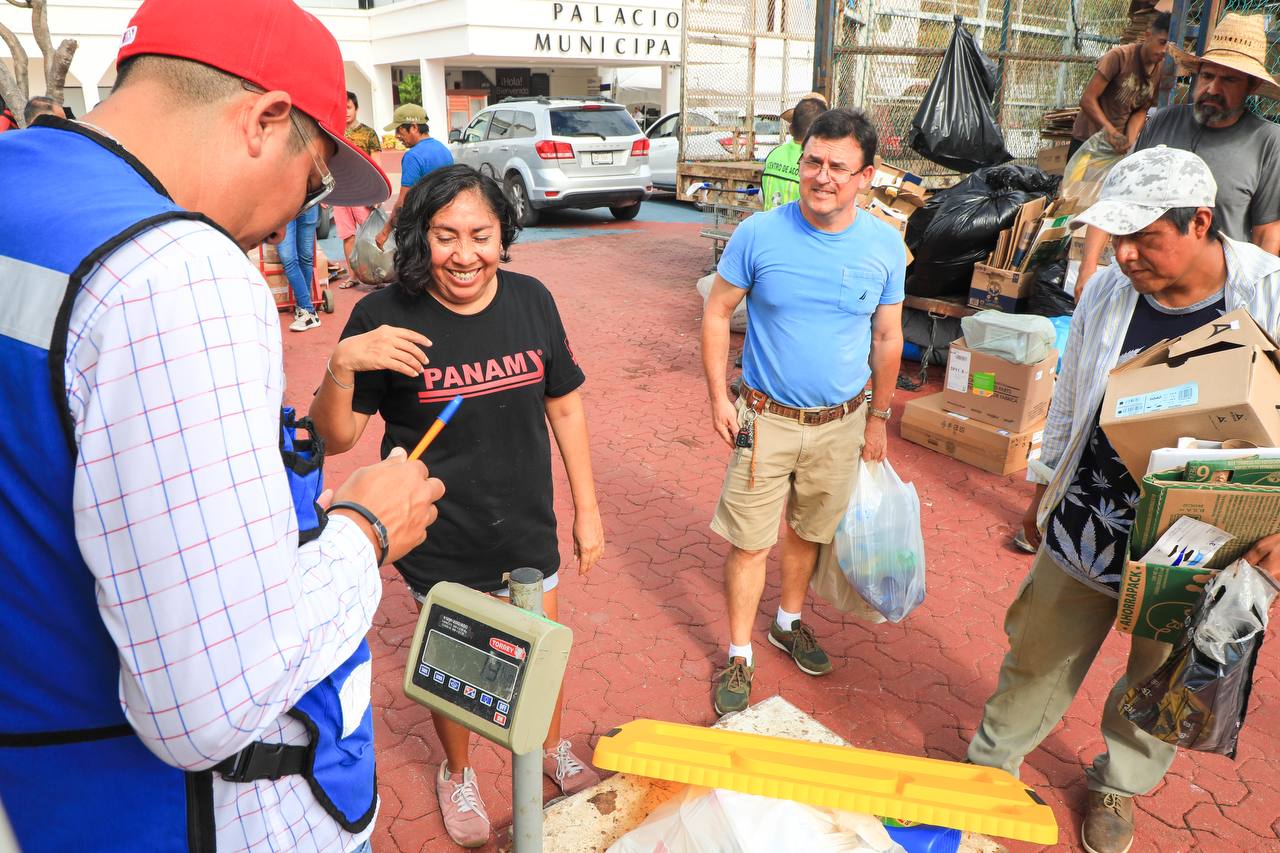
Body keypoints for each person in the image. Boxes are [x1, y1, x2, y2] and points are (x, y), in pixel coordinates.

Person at [0, 0, 445, 850]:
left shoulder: (15, 180)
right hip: (161, 813)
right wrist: (365, 528)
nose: (294, 217)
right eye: (314, 180)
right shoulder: (178, 269)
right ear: (265, 118)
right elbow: (205, 703)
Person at [967, 147, 1280, 853]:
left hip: (1207, 534)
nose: (1128, 254)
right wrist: (1047, 481)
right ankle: (988, 767)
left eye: (1146, 237)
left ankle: (1120, 782)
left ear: (1200, 222)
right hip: (1093, 512)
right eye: (1119, 236)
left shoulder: (1269, 293)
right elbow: (1075, 384)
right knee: (1038, 650)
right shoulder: (1110, 289)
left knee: (1160, 673)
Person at [311, 164, 605, 848]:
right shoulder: (383, 316)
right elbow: (337, 436)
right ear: (421, 237)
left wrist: (586, 509)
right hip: (438, 534)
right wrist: (342, 362)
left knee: (545, 656)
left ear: (504, 233)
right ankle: (458, 769)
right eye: (446, 236)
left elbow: (563, 404)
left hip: (526, 523)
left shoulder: (532, 300)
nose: (464, 253)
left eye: (480, 234)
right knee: (461, 673)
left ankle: (550, 746)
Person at [700, 108, 905, 717]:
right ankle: (740, 653)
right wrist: (717, 395)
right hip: (764, 422)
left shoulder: (885, 246)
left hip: (842, 424)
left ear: (865, 177)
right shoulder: (758, 234)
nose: (822, 177)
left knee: (810, 532)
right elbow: (716, 313)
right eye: (813, 162)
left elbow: (888, 339)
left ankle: (787, 622)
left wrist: (877, 421)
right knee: (748, 543)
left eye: (838, 167)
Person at [1076, 13, 1280, 298]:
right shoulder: (1161, 123)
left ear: (1252, 87)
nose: (1212, 88)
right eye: (1207, 76)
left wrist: (1255, 295)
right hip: (1146, 284)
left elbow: (1267, 232)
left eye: (1229, 80)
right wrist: (1087, 269)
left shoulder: (1268, 142)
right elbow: (1117, 201)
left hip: (1218, 293)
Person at [1068, 13, 1169, 161]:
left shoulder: (1161, 70)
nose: (1165, 50)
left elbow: (1141, 109)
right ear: (1148, 36)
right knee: (1077, 184)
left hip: (1115, 148)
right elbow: (1088, 99)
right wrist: (1110, 132)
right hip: (1088, 141)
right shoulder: (1119, 56)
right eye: (1162, 42)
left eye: (1170, 46)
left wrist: (1130, 139)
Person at [376, 102, 454, 248]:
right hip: (446, 224)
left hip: (423, 227)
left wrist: (385, 232)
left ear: (414, 127)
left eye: (399, 131)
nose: (397, 136)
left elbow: (402, 203)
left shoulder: (413, 156)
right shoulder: (443, 149)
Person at [333, 89, 381, 286]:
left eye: (349, 108)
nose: (345, 112)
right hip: (340, 192)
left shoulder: (368, 133)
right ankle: (353, 276)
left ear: (356, 108)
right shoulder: (333, 132)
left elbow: (377, 165)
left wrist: (376, 192)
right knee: (347, 236)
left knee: (373, 235)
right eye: (342, 108)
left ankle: (378, 274)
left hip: (363, 192)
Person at [761, 93, 828, 211]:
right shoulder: (818, 160)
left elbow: (762, 196)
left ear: (791, 129)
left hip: (769, 225)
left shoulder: (774, 154)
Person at [279, 205, 323, 330]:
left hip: (309, 203)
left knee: (305, 258)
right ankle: (306, 309)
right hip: (284, 206)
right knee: (289, 259)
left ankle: (306, 309)